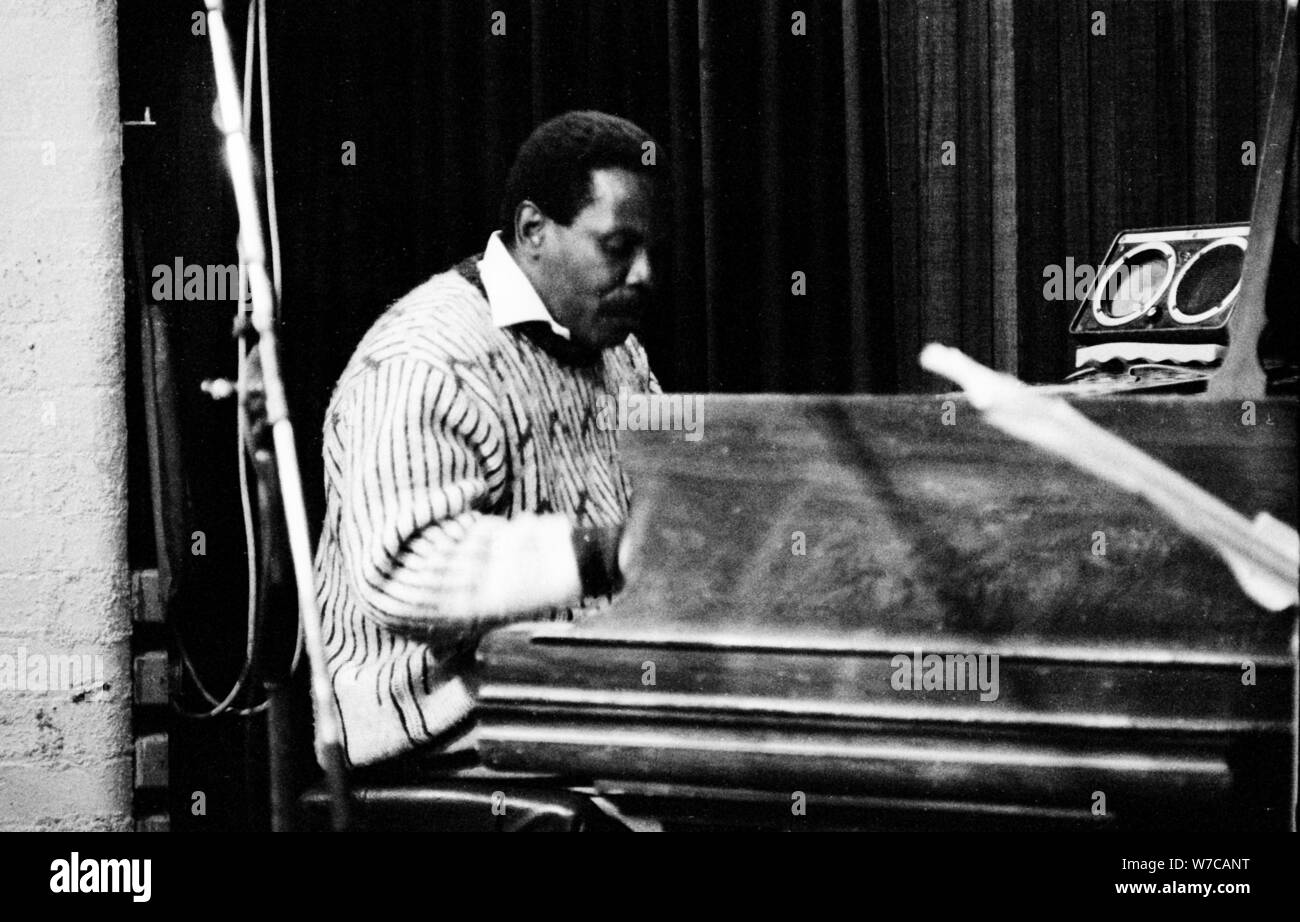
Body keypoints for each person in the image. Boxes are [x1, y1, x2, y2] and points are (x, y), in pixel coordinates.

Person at [313, 111, 663, 767]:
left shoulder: (617, 354)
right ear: (533, 230)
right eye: (618, 248)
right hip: (446, 745)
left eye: (648, 251)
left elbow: (673, 504)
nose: (644, 274)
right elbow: (402, 570)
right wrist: (602, 551)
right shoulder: (423, 358)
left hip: (563, 711)